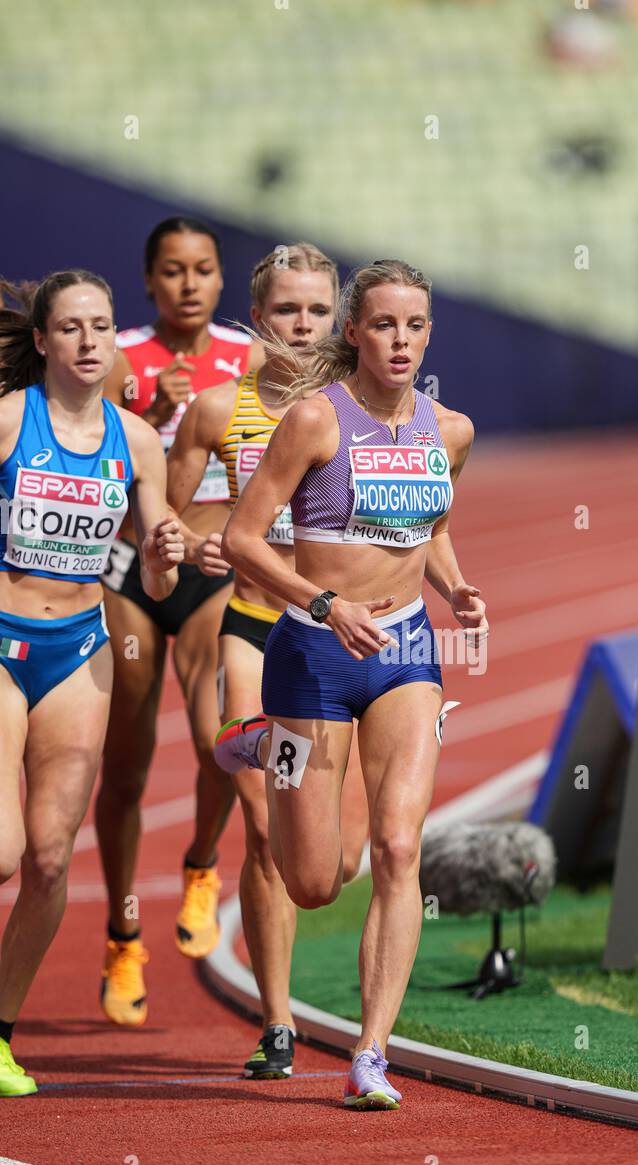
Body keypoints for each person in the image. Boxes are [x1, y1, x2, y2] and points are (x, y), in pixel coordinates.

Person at [219, 259, 487, 1109]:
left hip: (405, 651)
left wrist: (456, 588)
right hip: (310, 654)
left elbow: (432, 530)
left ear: (430, 334)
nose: (399, 341)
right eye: (382, 325)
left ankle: (372, 1053)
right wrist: (324, 602)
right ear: (354, 333)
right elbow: (242, 539)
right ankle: (262, 742)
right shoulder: (312, 422)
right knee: (314, 881)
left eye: (413, 326)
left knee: (400, 848)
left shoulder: (450, 431)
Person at [168, 242, 369, 1080]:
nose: (303, 324)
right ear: (258, 319)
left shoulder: (357, 410)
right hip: (252, 630)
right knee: (263, 828)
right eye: (287, 309)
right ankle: (279, 1021)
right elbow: (165, 522)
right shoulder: (218, 410)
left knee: (343, 858)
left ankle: (252, 746)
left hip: (335, 643)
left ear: (339, 320)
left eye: (318, 310)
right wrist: (191, 545)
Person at [0, 270, 182, 1096]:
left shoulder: (138, 441)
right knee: (3, 852)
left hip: (81, 651)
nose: (86, 341)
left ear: (115, 340)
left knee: (45, 860)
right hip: (1, 645)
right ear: (41, 341)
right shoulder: (9, 423)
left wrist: (163, 555)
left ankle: (0, 1035)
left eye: (101, 327)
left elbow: (160, 578)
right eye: (69, 327)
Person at [95, 216, 262, 1027]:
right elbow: (87, 448)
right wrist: (141, 406)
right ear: (149, 279)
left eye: (202, 269)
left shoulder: (251, 358)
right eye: (171, 270)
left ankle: (202, 863)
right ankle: (123, 934)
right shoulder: (119, 354)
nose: (188, 284)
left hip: (206, 566)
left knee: (214, 741)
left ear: (221, 279)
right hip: (130, 566)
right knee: (125, 765)